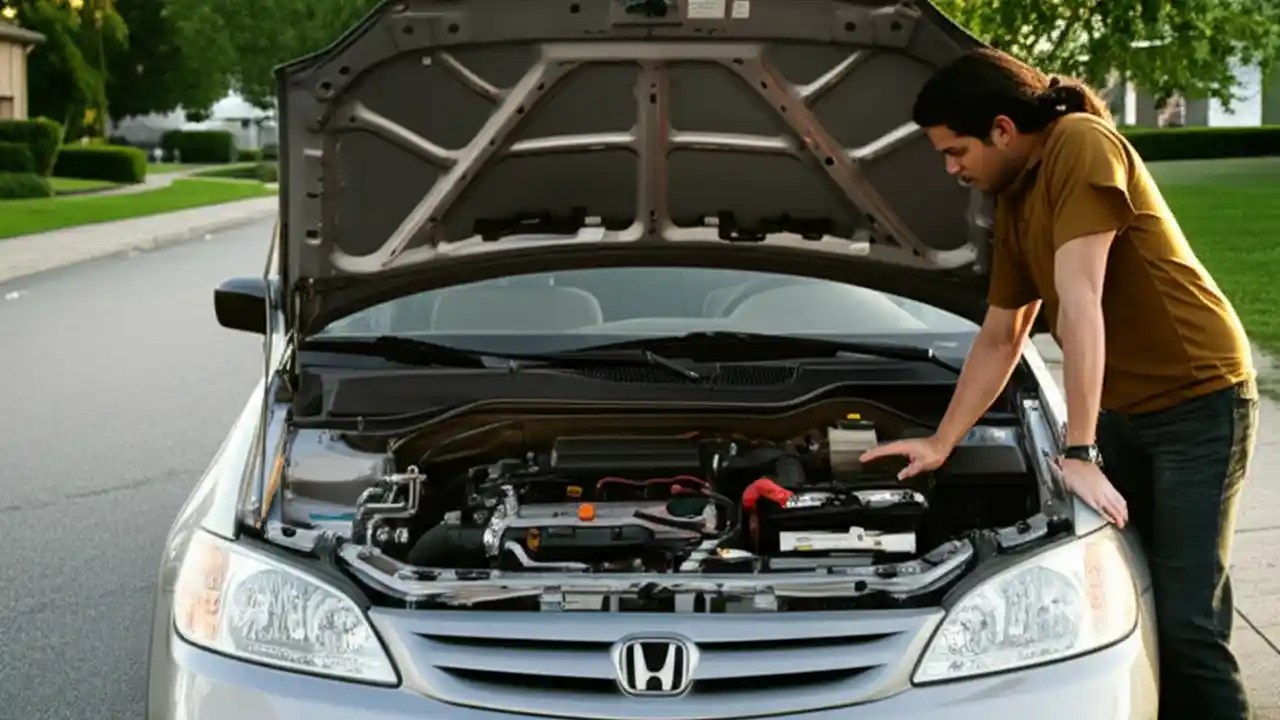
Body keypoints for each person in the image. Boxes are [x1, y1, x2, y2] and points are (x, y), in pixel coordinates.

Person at [860, 48, 1258, 720]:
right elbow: (1002, 334)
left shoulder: (1083, 143)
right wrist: (941, 441)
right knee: (1138, 601)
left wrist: (1079, 452)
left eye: (955, 151)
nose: (951, 168)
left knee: (1189, 621)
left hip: (1200, 401)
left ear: (1002, 130)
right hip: (1125, 408)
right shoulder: (1013, 196)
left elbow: (1081, 301)